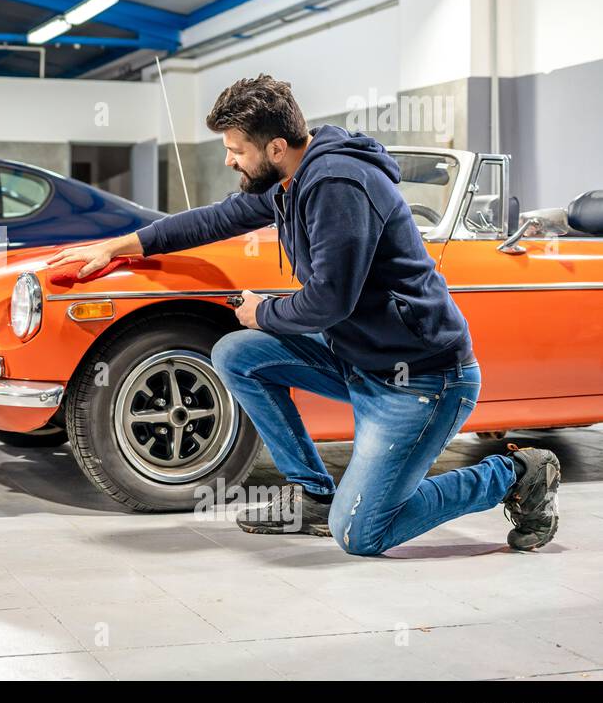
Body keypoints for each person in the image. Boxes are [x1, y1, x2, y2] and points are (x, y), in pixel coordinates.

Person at [48, 75, 559, 555]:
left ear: (275, 147)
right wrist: (123, 245)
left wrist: (262, 312)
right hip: (359, 360)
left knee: (362, 533)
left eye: (235, 150)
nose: (229, 161)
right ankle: (315, 494)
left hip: (421, 380)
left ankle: (515, 474)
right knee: (236, 353)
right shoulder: (292, 179)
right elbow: (220, 217)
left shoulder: (339, 185)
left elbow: (330, 301)